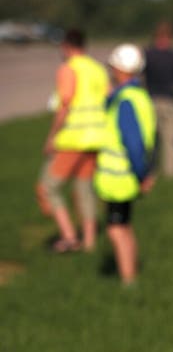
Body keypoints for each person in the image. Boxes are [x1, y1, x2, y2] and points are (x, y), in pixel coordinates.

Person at [37, 28, 109, 252]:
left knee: (47, 187)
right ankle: (89, 242)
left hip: (73, 138)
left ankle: (69, 237)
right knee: (84, 188)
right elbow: (107, 99)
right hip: (96, 138)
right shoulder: (98, 69)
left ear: (66, 46)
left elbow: (65, 104)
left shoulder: (68, 69)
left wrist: (51, 137)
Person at [94, 44, 157, 286]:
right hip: (127, 177)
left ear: (121, 69)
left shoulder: (126, 101)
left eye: (113, 67)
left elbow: (133, 143)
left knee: (116, 229)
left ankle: (128, 280)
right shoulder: (137, 95)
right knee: (125, 226)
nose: (110, 70)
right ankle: (132, 275)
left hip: (120, 178)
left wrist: (142, 176)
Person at [144, 21, 173, 178]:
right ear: (170, 37)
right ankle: (172, 174)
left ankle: (150, 172)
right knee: (172, 140)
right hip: (170, 100)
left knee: (150, 140)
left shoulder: (147, 53)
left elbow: (140, 76)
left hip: (149, 101)